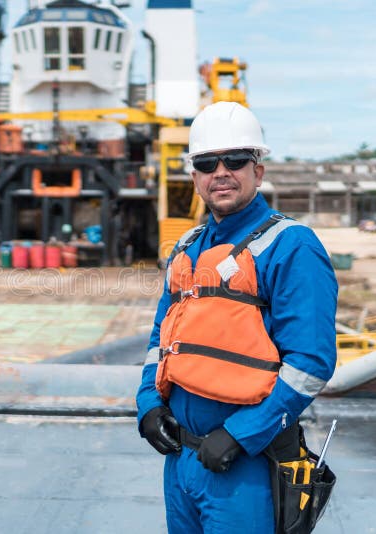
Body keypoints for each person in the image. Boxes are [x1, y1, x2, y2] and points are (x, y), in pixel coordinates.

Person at [136, 101, 338, 533]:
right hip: (181, 462)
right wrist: (148, 406)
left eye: (236, 160)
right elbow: (160, 340)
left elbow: (311, 363)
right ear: (195, 177)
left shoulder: (292, 246)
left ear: (258, 171)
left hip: (245, 464)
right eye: (207, 163)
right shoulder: (188, 247)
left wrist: (243, 433)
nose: (220, 172)